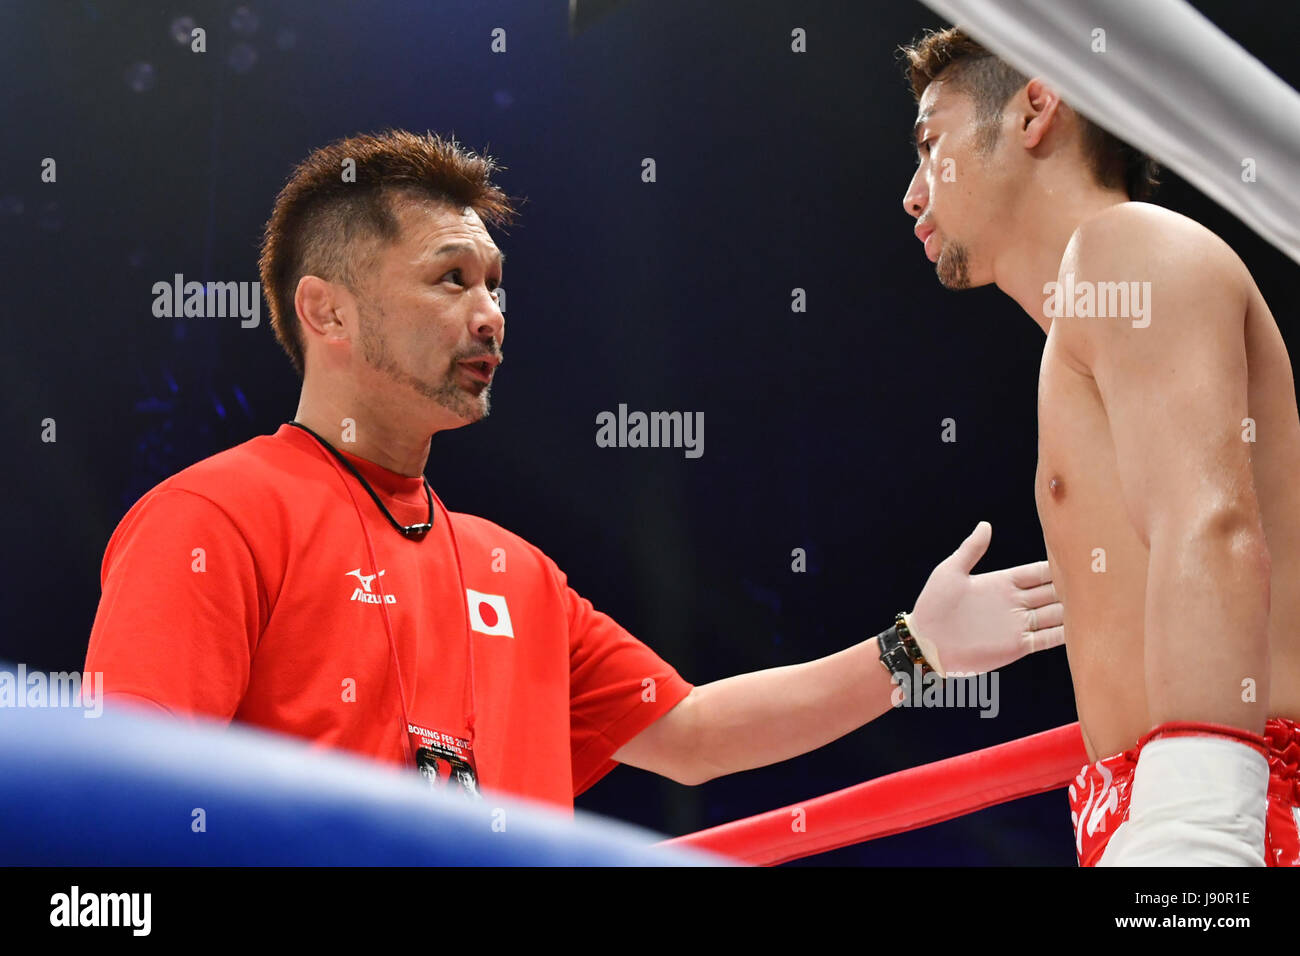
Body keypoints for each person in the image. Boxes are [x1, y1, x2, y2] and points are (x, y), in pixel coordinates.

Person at [85, 129, 1063, 815]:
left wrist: (913, 649)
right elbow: (121, 809)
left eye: (496, 285)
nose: (490, 315)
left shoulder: (518, 573)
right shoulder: (211, 518)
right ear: (327, 311)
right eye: (450, 278)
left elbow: (691, 731)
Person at [899, 27, 1300, 865]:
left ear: (1035, 108)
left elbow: (1212, 527)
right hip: (1162, 798)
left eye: (931, 142)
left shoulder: (1132, 248)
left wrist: (1199, 829)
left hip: (1222, 797)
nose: (911, 192)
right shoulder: (1080, 328)